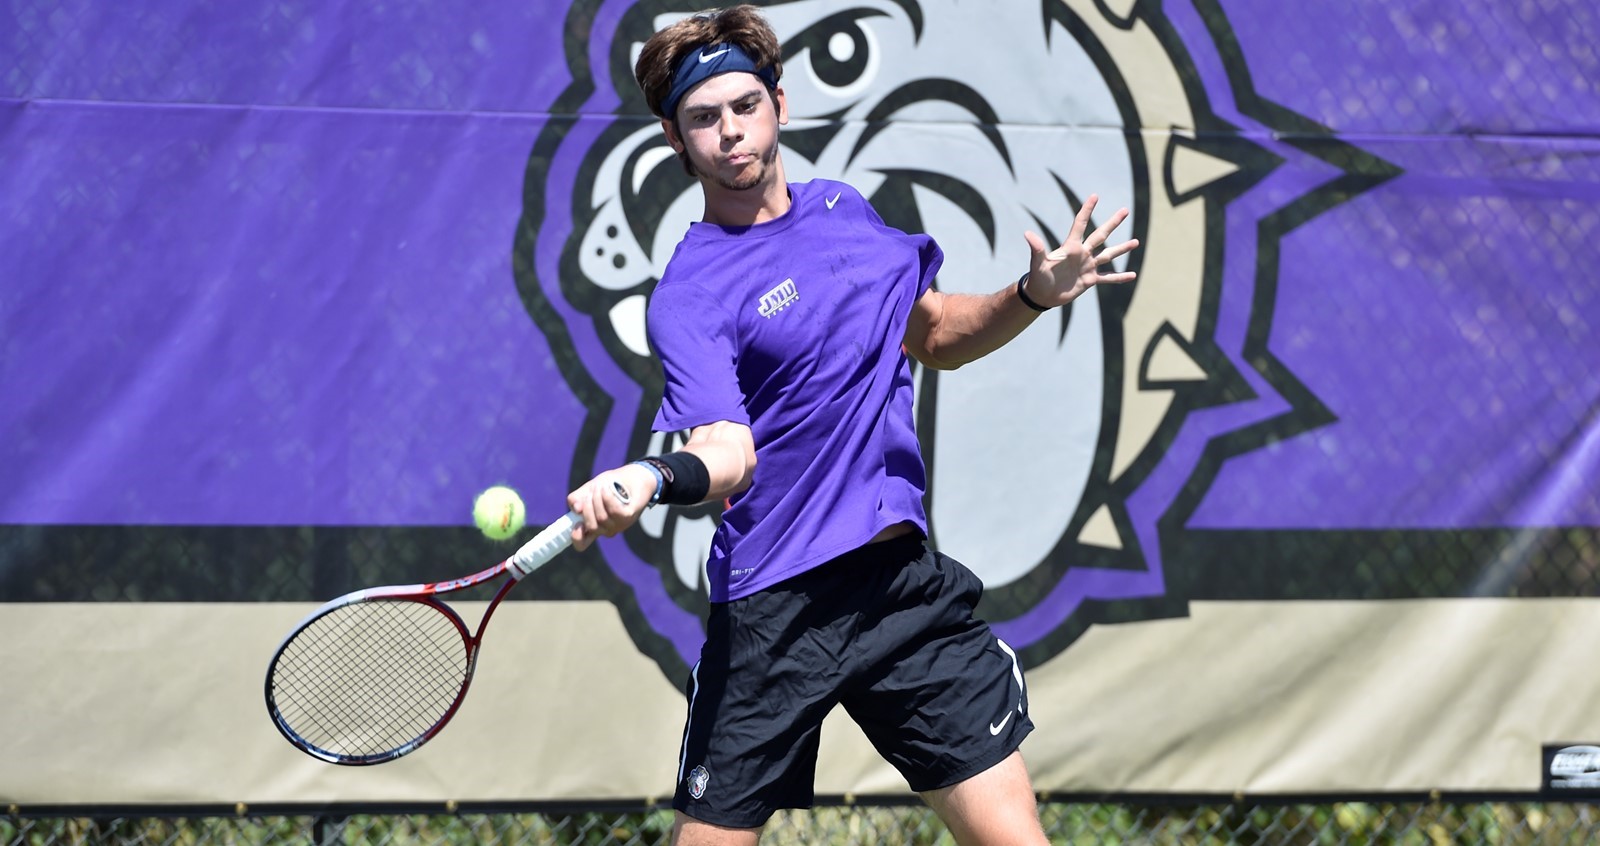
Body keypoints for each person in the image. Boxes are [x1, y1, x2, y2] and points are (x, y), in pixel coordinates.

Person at [564, 6, 1138, 845]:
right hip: (775, 608)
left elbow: (935, 333)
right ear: (674, 139)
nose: (731, 131)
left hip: (900, 588)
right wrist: (653, 476)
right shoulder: (689, 295)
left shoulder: (845, 210)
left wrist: (1030, 295)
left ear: (779, 104)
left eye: (745, 105)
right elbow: (726, 451)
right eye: (704, 118)